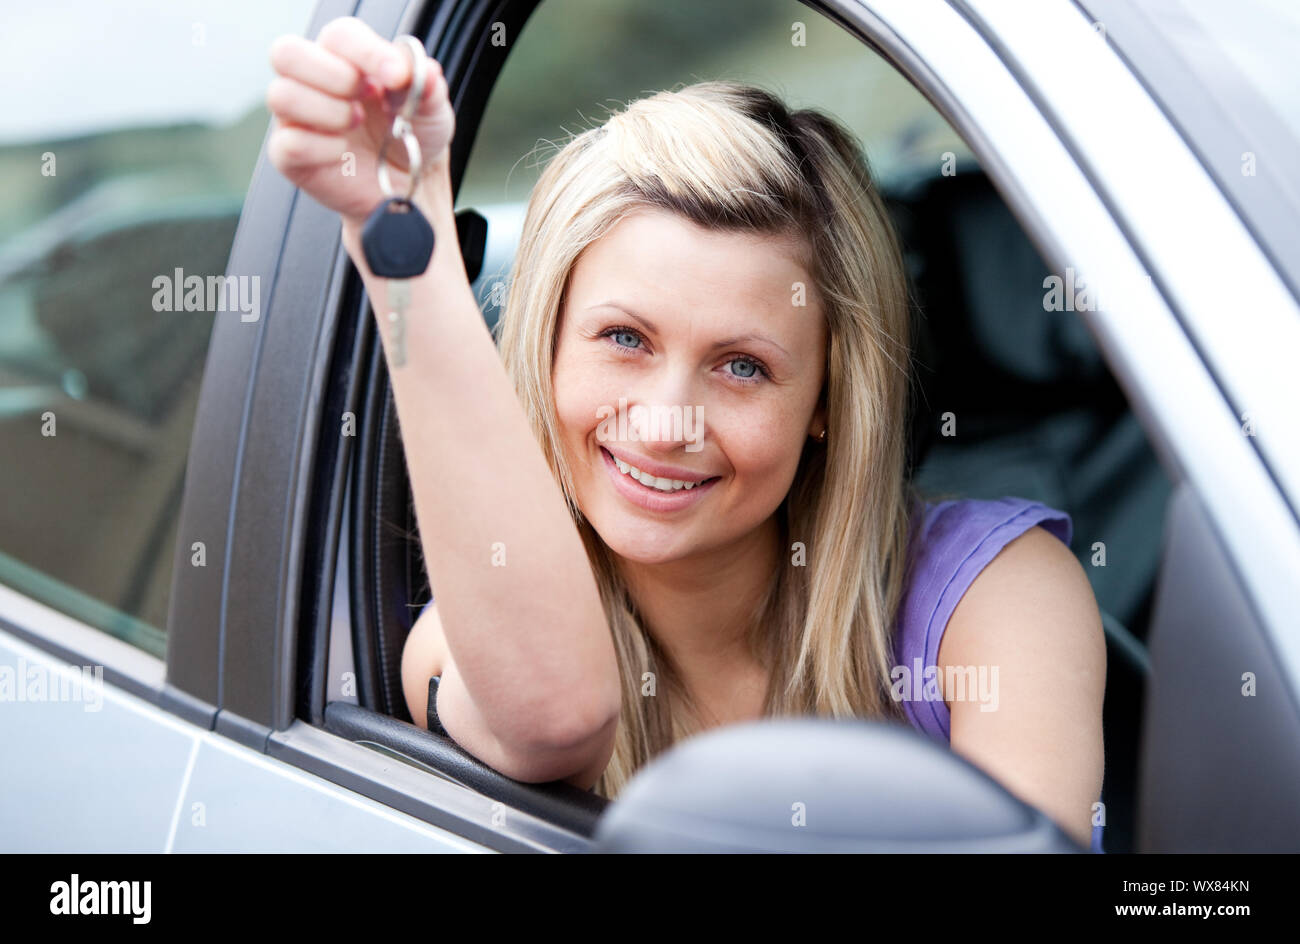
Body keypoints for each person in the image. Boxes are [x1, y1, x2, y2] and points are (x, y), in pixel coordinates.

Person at [265, 16, 1107, 850]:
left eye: (742, 366)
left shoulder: (994, 597)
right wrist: (407, 251)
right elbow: (554, 721)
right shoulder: (471, 635)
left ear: (826, 399)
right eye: (624, 340)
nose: (666, 425)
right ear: (547, 349)